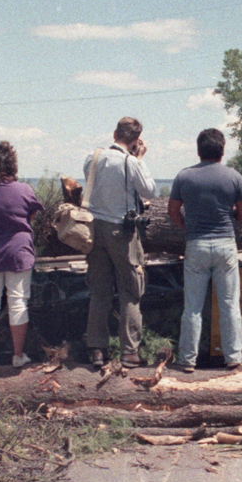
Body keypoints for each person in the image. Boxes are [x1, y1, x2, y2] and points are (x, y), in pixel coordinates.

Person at [168, 128, 242, 372]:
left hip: (196, 244)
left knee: (192, 307)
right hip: (225, 243)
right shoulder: (234, 177)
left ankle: (187, 360)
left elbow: (172, 211)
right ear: (222, 151)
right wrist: (229, 213)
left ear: (198, 150)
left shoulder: (184, 176)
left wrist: (187, 225)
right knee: (229, 305)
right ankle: (234, 357)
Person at [83, 117, 156, 368]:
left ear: (115, 133)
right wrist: (138, 159)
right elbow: (150, 191)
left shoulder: (93, 158)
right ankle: (129, 353)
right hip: (122, 232)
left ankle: (97, 350)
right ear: (136, 141)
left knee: (99, 292)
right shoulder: (130, 161)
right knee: (131, 292)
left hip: (94, 229)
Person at [0, 141, 45, 369]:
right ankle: (18, 355)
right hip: (18, 253)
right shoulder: (24, 190)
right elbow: (32, 214)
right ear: (13, 165)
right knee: (18, 304)